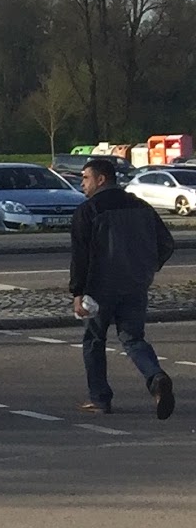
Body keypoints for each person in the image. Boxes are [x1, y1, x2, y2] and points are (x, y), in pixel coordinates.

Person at [69, 156, 175, 417]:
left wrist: (77, 292)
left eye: (85, 178)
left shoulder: (89, 210)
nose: (82, 184)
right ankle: (156, 377)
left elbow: (81, 255)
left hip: (99, 287)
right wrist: (148, 267)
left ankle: (100, 398)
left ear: (100, 179)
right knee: (133, 338)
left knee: (94, 340)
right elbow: (167, 244)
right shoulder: (141, 207)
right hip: (135, 285)